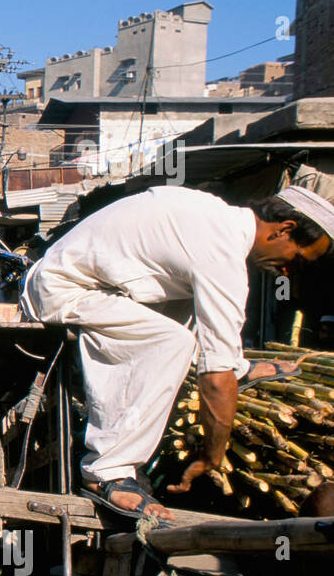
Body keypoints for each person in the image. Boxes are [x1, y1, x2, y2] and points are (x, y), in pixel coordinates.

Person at [20, 185, 333, 525]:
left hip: (96, 285)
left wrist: (228, 368)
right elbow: (215, 381)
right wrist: (211, 457)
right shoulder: (221, 251)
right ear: (284, 230)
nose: (287, 271)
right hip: (62, 290)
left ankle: (237, 367)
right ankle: (104, 470)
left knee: (192, 317)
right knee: (174, 340)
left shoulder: (216, 217)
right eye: (297, 259)